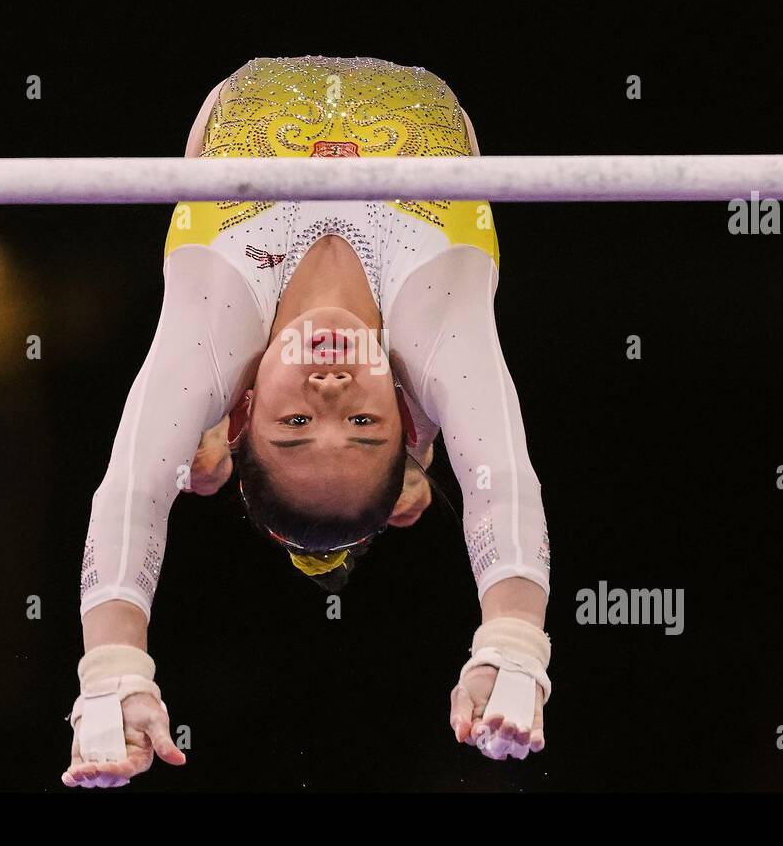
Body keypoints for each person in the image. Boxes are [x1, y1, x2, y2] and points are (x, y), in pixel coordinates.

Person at [63, 56, 551, 788]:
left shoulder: (212, 324)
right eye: (363, 420)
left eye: (294, 421)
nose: (329, 389)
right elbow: (501, 477)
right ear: (408, 420)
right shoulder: (439, 316)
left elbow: (131, 487)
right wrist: (513, 643)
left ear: (245, 411)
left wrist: (111, 667)